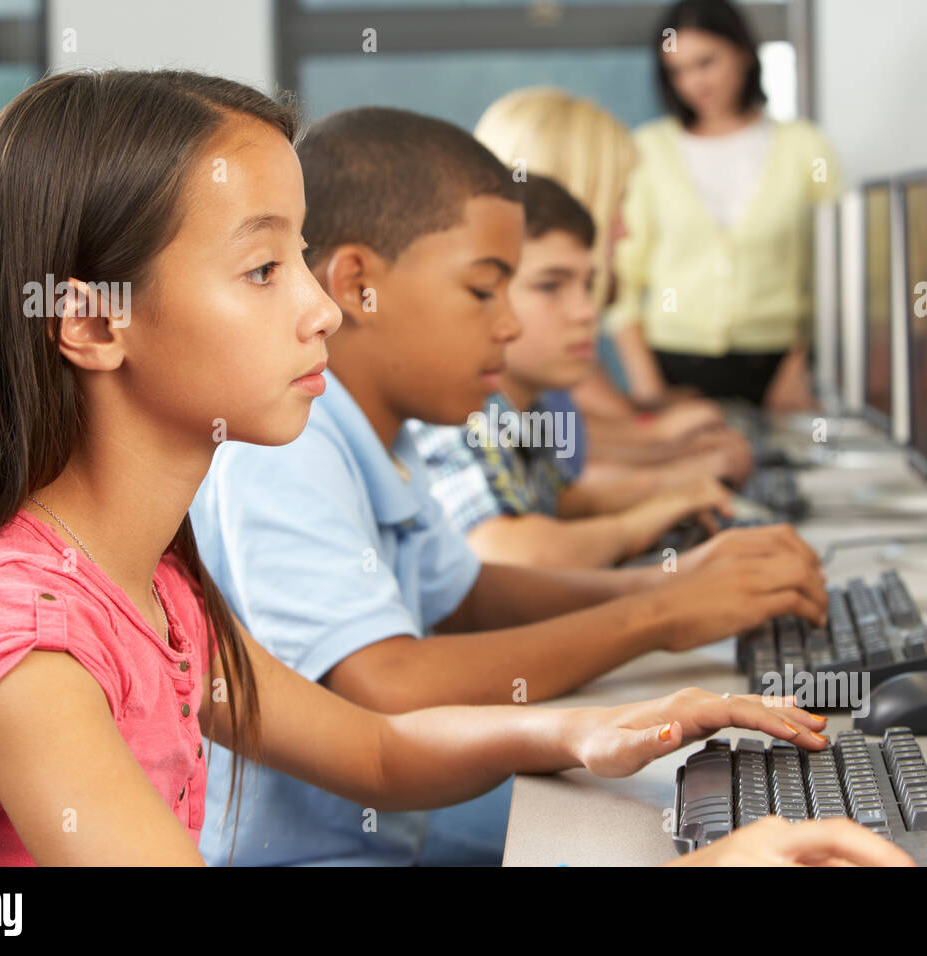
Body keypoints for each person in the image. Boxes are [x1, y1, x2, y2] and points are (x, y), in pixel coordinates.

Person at [0, 71, 914, 870]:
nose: (323, 307)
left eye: (301, 259)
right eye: (263, 268)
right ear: (95, 321)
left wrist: (589, 730)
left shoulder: (157, 589)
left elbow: (375, 751)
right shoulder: (24, 639)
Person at [187, 107, 856, 867]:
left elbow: (467, 594)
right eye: (484, 291)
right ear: (359, 287)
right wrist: (660, 614)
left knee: (669, 808)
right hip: (323, 854)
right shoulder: (283, 445)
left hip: (398, 823)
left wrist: (671, 586)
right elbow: (385, 685)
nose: (509, 327)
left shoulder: (379, 430)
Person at [412, 173, 732, 568]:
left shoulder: (534, 404)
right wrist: (639, 528)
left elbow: (557, 502)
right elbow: (508, 553)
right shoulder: (451, 407)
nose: (586, 311)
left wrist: (673, 496)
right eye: (550, 286)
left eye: (587, 285)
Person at [606, 0, 838, 411]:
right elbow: (623, 276)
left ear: (743, 52)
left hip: (779, 372)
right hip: (672, 369)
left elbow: (832, 270)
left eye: (705, 63)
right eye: (677, 71)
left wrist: (801, 365)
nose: (693, 83)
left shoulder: (805, 147)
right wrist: (647, 386)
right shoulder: (647, 149)